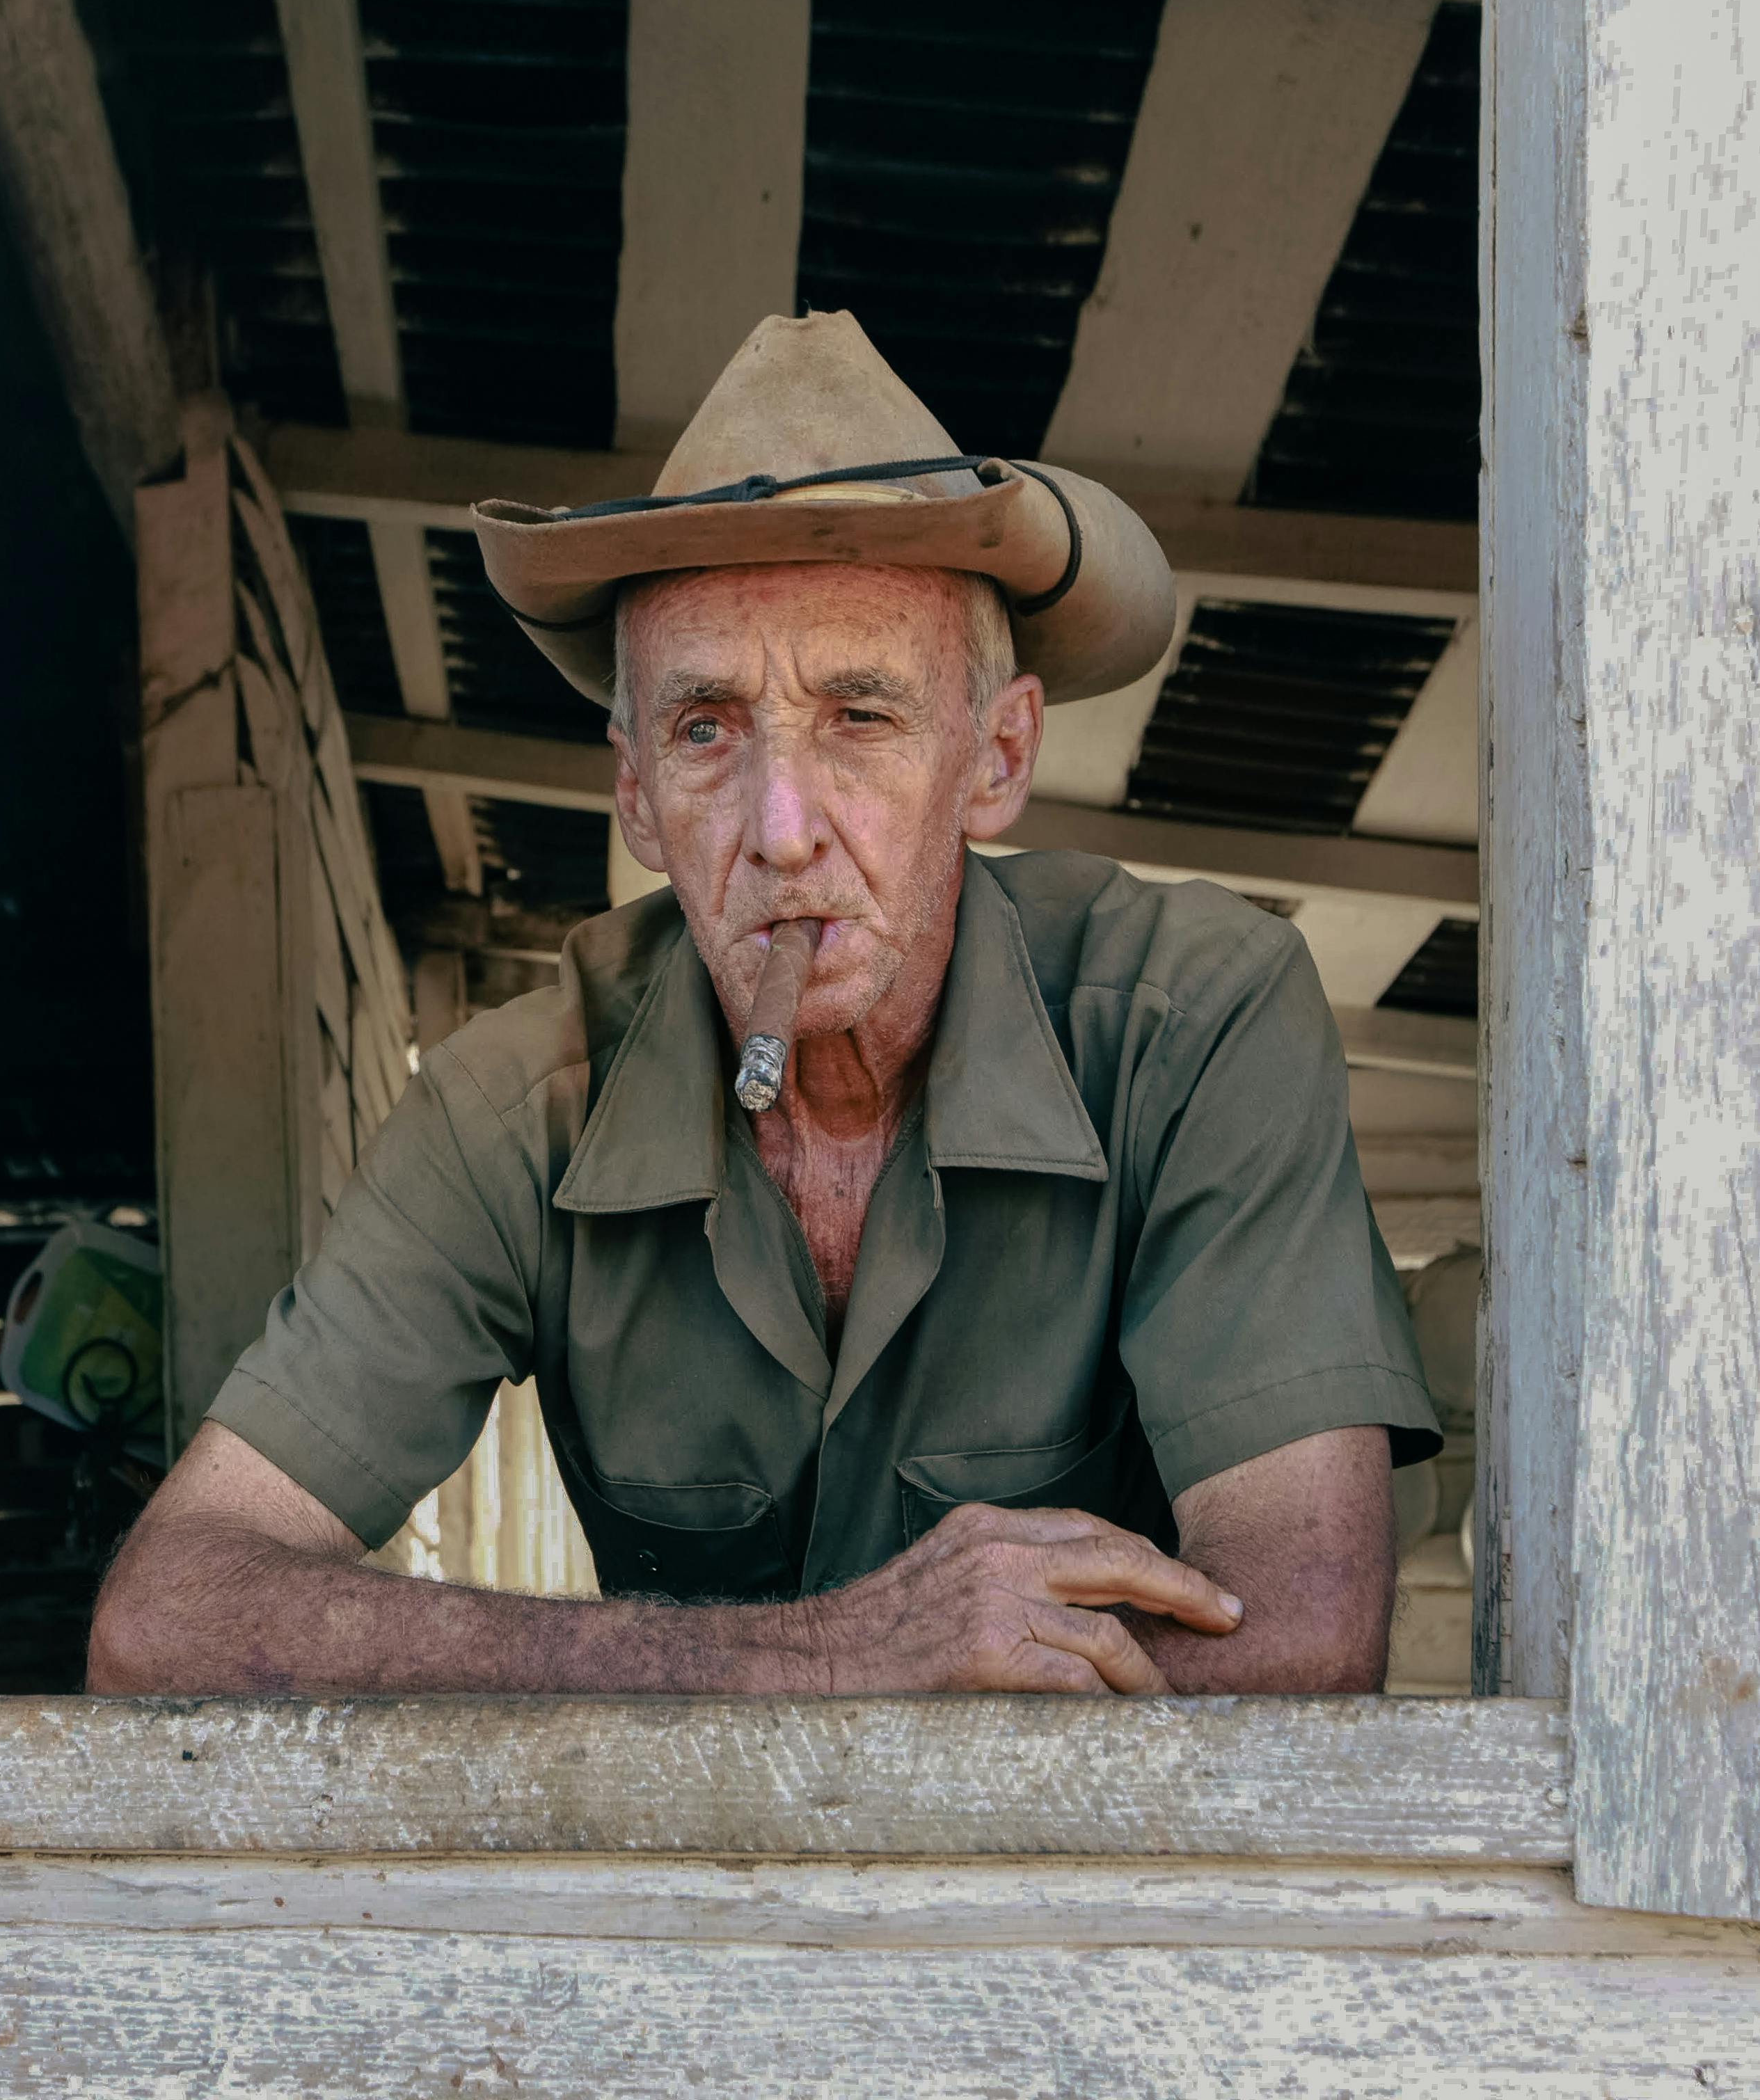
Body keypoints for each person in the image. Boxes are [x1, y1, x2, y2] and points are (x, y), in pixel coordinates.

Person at [88, 312, 1439, 1699]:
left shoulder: (1189, 1019)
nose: (781, 829)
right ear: (633, 794)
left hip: (1099, 1895)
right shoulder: (512, 1105)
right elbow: (168, 1619)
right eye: (704, 730)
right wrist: (820, 1656)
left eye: (860, 718)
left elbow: (1298, 1639)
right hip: (702, 1898)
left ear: (997, 756)